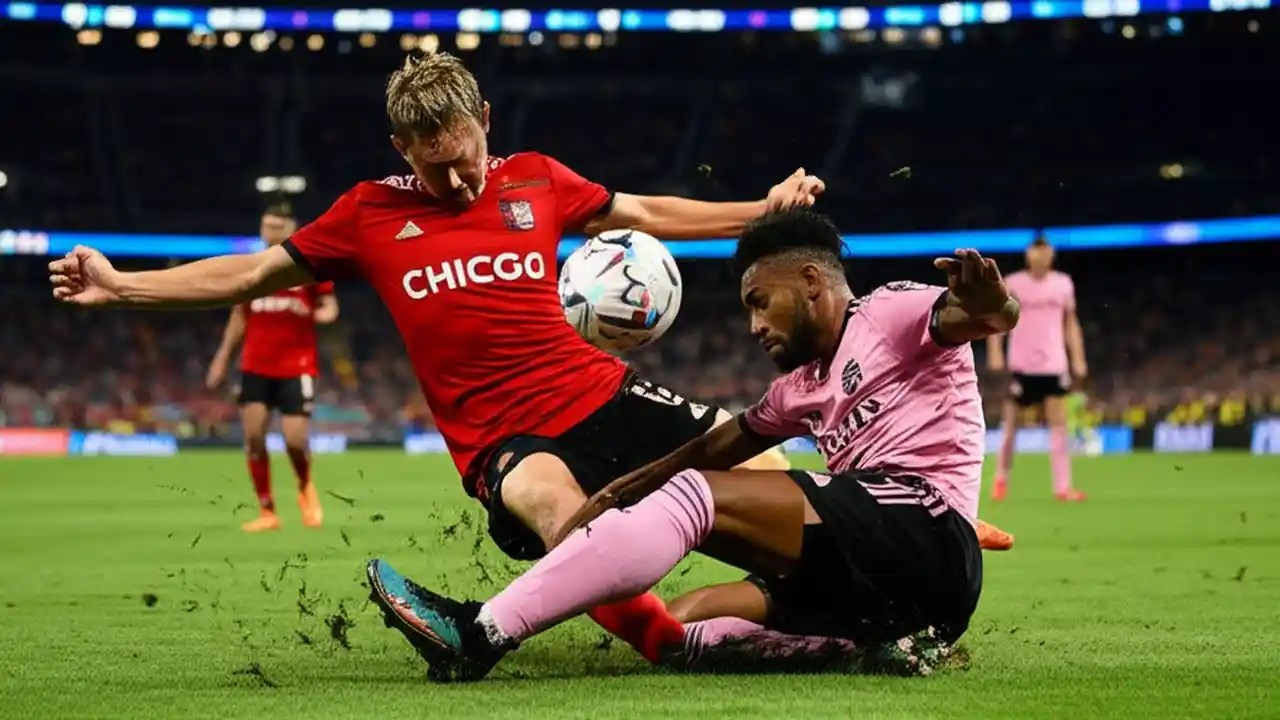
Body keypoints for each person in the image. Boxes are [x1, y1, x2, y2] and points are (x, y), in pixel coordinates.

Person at [48, 51, 807, 661]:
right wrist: (124, 288)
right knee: (560, 511)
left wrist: (762, 212)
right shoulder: (367, 213)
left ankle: (842, 593)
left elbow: (642, 211)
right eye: (433, 166)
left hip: (602, 392)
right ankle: (668, 643)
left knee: (769, 474)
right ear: (401, 148)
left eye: (466, 156)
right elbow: (250, 274)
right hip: (505, 438)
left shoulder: (535, 177)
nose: (457, 180)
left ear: (484, 120)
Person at [362, 208, 1020, 682]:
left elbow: (983, 316)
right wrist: (623, 490)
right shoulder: (800, 388)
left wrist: (992, 302)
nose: (754, 325)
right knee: (679, 632)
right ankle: (874, 646)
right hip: (888, 582)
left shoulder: (890, 312)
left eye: (761, 302)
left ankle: (479, 632)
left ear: (812, 281)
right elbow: (714, 446)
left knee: (698, 498)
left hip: (929, 530)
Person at [206, 203, 339, 532]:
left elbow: (329, 308)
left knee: (294, 441)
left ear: (292, 229)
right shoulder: (252, 269)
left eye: (278, 227)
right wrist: (222, 359)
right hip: (255, 365)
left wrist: (313, 313)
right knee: (254, 438)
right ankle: (267, 511)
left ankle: (305, 488)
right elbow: (239, 319)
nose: (271, 232)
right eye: (267, 226)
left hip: (297, 366)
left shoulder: (308, 267)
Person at [986, 237, 1087, 502]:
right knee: (1011, 425)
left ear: (1051, 255)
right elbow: (999, 318)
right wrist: (995, 351)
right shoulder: (1013, 283)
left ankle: (1062, 486)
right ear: (1028, 255)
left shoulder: (1063, 284)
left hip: (1053, 363)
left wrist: (1078, 357)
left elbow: (1070, 323)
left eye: (1044, 252)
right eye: (1035, 252)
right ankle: (1000, 478)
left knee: (1059, 424)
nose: (1040, 257)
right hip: (1022, 364)